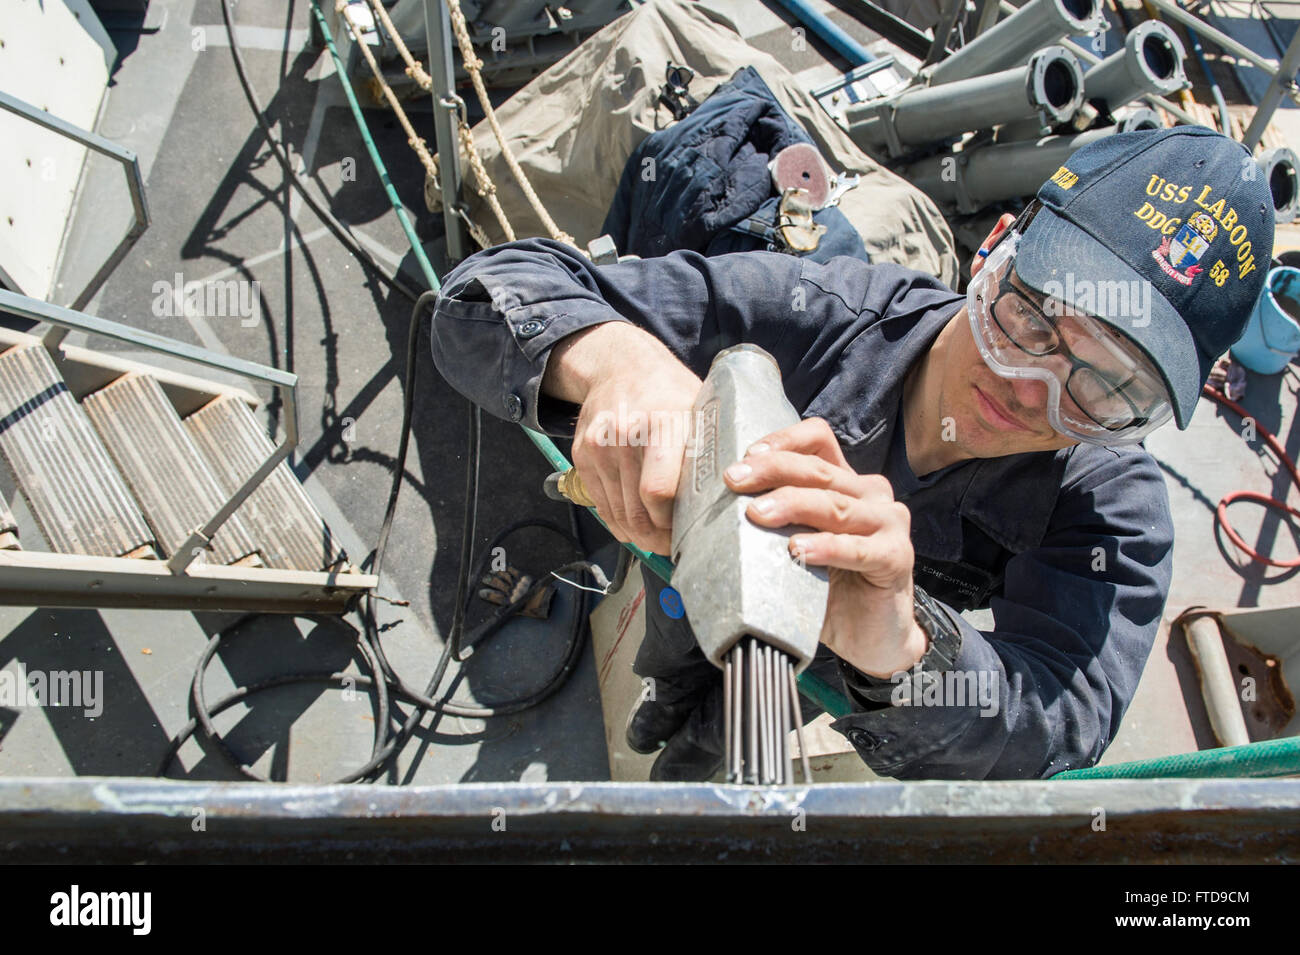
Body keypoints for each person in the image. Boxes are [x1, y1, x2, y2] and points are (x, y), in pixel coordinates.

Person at [429, 126, 1275, 780]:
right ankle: (672, 701)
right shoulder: (807, 307)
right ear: (997, 253)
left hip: (829, 670)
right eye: (1035, 315)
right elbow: (484, 295)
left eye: (1107, 387)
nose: (1031, 389)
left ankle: (702, 753)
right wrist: (621, 362)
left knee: (730, 735)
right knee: (675, 647)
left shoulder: (1110, 514)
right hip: (681, 570)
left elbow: (1060, 725)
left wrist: (905, 648)